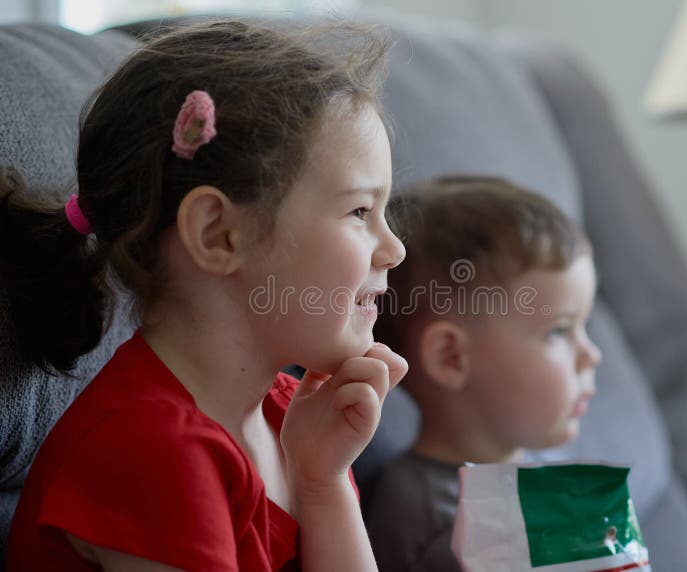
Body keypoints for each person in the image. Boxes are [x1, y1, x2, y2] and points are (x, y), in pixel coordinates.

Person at [2, 20, 407, 571]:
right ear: (219, 234)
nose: (395, 250)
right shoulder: (153, 452)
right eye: (360, 211)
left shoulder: (294, 415)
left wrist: (321, 481)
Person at [366, 175, 602, 572]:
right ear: (451, 356)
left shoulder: (542, 465)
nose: (591, 355)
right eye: (559, 330)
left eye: (585, 327)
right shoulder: (443, 526)